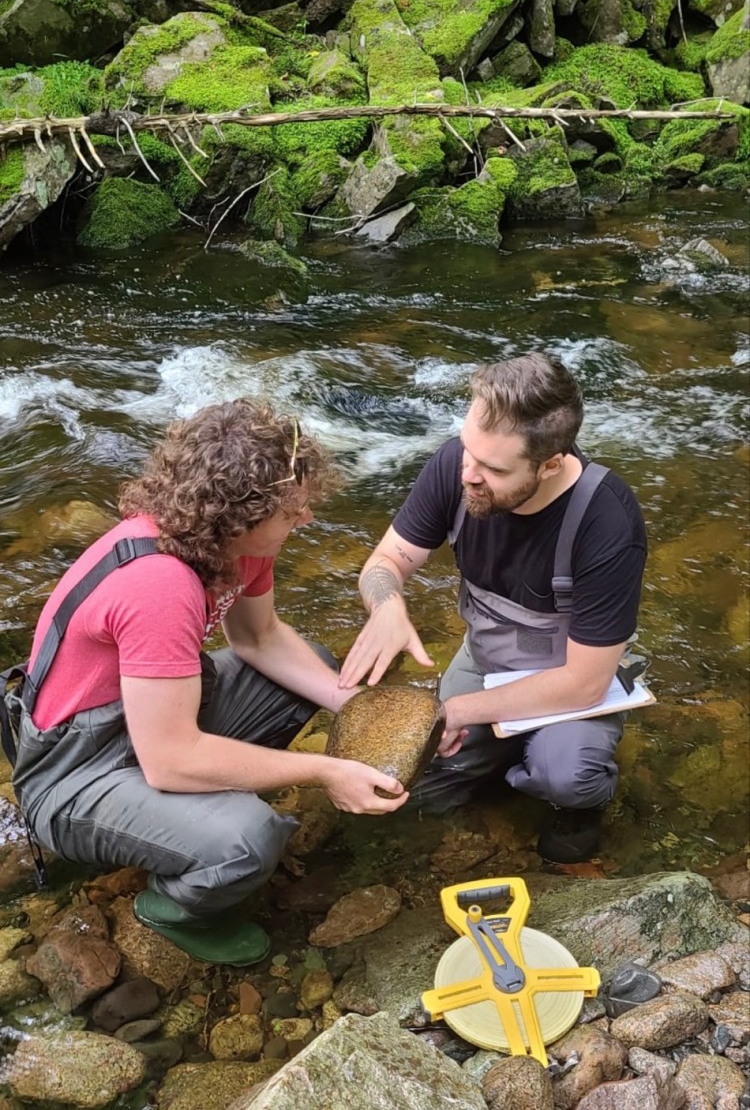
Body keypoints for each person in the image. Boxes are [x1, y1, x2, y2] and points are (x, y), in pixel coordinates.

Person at [6, 400, 407, 966]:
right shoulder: (160, 585)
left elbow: (260, 639)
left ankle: (193, 819)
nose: (308, 519)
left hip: (147, 727)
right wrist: (324, 771)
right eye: (292, 510)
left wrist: (363, 708)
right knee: (249, 838)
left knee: (309, 665)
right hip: (75, 774)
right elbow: (169, 759)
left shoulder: (237, 546)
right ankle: (170, 904)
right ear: (239, 513)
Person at [339, 353, 647, 865]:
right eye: (468, 452)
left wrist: (452, 712)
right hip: (488, 657)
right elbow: (386, 559)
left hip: (570, 674)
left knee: (563, 773)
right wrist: (387, 604)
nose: (469, 475)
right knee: (417, 779)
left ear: (550, 464)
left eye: (494, 468)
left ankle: (582, 805)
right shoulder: (458, 465)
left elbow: (584, 683)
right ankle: (497, 764)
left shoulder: (606, 523)